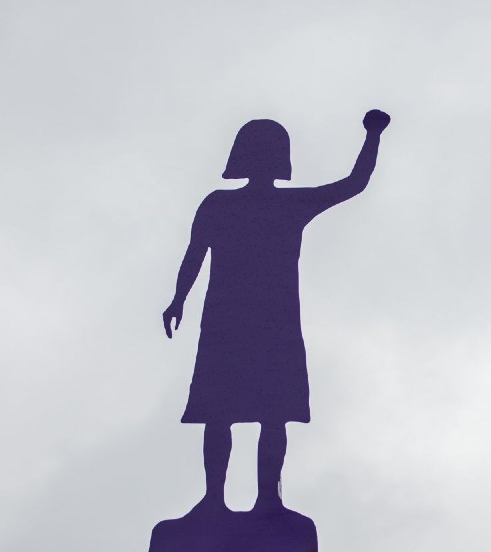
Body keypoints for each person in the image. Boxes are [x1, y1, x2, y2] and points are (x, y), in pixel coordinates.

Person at [162, 109, 390, 514]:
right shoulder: (219, 205)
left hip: (273, 322)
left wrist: (373, 136)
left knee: (273, 413)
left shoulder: (291, 203)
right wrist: (178, 298)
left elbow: (354, 184)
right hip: (227, 320)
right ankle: (214, 499)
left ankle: (267, 499)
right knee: (220, 413)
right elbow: (194, 254)